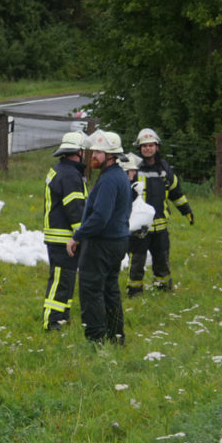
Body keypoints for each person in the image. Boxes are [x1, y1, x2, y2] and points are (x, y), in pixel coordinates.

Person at [66, 131, 132, 344]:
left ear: (109, 156)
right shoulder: (118, 176)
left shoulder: (109, 180)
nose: (92, 155)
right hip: (117, 241)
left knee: (91, 289)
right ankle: (116, 336)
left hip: (102, 243)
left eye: (97, 151)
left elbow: (100, 218)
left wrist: (77, 236)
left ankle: (95, 340)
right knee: (110, 288)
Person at [126, 128, 193, 297]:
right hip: (140, 226)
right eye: (144, 146)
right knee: (138, 260)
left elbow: (175, 191)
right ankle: (134, 291)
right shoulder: (133, 167)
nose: (147, 148)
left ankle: (162, 288)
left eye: (150, 145)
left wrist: (186, 211)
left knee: (162, 258)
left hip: (161, 225)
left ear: (157, 147)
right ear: (139, 148)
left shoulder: (165, 168)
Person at [41, 132, 89, 331]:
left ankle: (62, 318)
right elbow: (75, 208)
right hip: (64, 238)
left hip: (57, 236)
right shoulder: (70, 175)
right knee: (61, 281)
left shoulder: (61, 169)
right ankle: (52, 322)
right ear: (79, 152)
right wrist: (80, 235)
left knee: (66, 280)